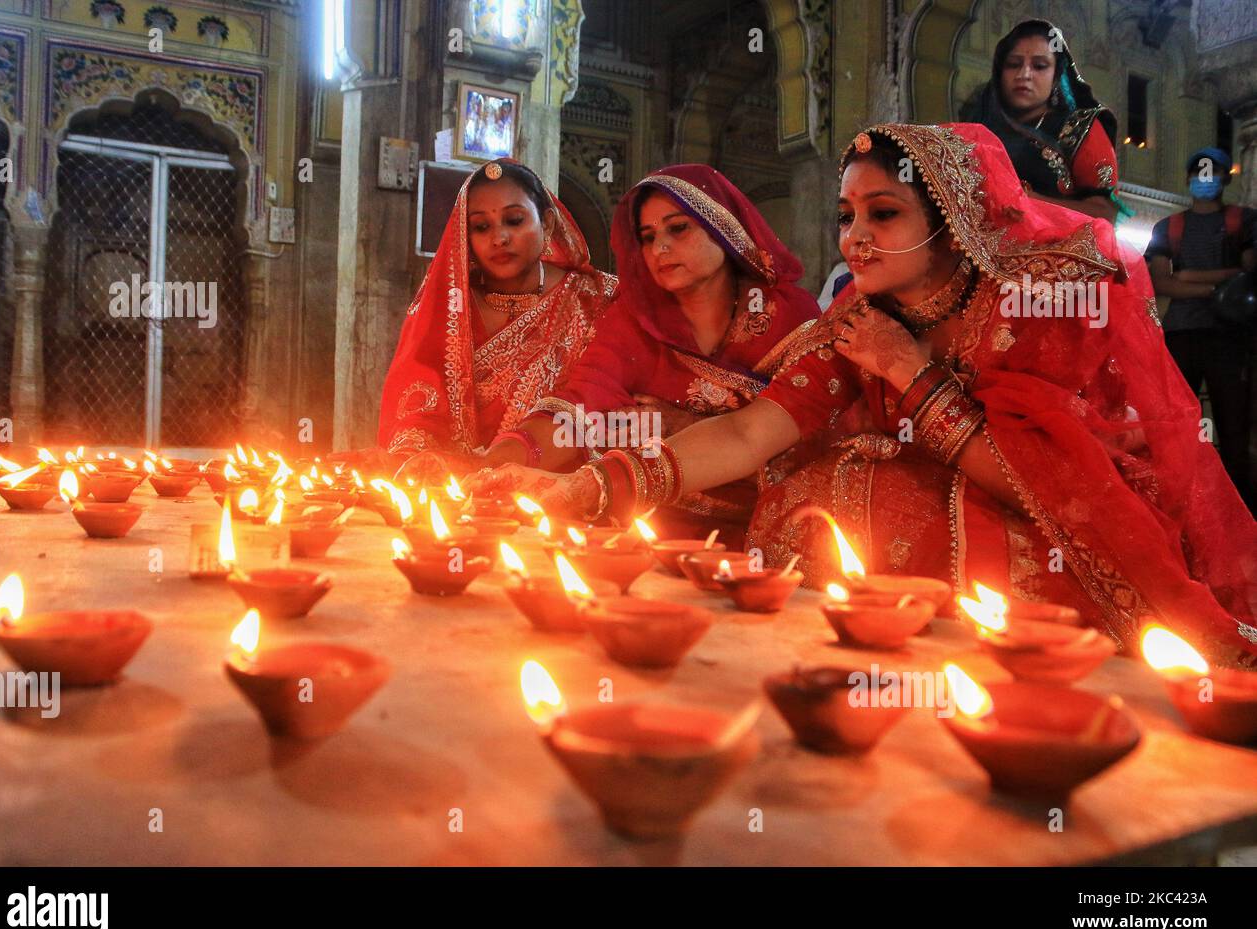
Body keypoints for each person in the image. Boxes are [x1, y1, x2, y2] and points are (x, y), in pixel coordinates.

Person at [470, 123, 1257, 669]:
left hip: (1077, 512)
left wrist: (912, 377)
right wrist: (585, 485)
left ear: (952, 225)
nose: (854, 238)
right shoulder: (860, 317)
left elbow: (1043, 481)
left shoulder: (1033, 303)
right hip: (951, 490)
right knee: (823, 484)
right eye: (846, 216)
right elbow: (750, 434)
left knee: (876, 489)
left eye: (884, 214)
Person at [458, 164, 825, 545]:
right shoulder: (636, 320)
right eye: (648, 237)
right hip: (651, 517)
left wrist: (685, 426)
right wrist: (498, 462)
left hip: (766, 525)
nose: (660, 248)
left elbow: (810, 439)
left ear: (723, 226)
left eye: (677, 228)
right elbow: (579, 408)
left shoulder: (784, 316)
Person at [359, 159, 616, 477]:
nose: (499, 238)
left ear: (547, 224)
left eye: (514, 219)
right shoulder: (449, 306)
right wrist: (420, 464)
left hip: (557, 496)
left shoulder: (595, 300)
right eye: (481, 226)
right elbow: (414, 407)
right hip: (454, 497)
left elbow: (606, 407)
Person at [1145, 147, 1257, 507]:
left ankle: (1236, 510)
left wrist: (1189, 277)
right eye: (1200, 173)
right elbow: (1161, 283)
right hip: (1186, 335)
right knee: (1178, 426)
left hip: (1228, 338)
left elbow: (1250, 274)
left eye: (1211, 173)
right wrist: (1220, 286)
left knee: (1234, 428)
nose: (1205, 179)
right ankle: (1183, 503)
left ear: (1225, 177)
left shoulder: (1246, 220)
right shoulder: (1168, 227)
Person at [969, 18, 1129, 224]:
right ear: (999, 73)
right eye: (1013, 64)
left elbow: (1104, 213)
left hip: (1056, 251)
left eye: (1039, 66)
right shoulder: (978, 128)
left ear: (1056, 77)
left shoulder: (1080, 128)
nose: (1024, 74)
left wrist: (1032, 203)